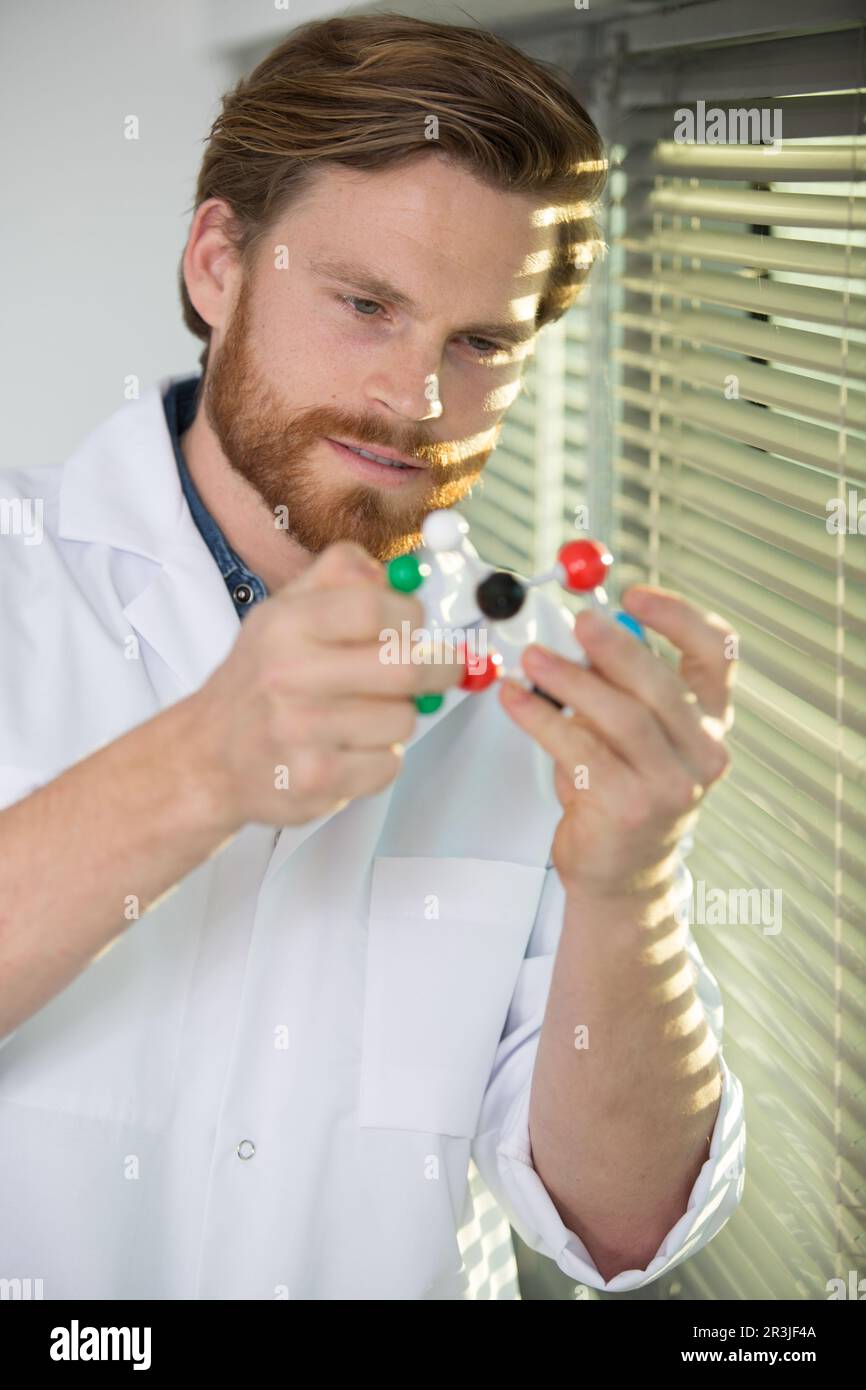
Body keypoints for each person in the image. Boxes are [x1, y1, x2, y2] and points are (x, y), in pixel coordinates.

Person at [0, 14, 744, 1300]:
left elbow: (621, 1231)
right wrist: (196, 769)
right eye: (364, 305)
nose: (417, 400)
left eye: (482, 343)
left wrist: (629, 883)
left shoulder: (548, 686)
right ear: (218, 263)